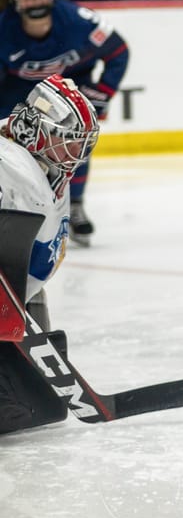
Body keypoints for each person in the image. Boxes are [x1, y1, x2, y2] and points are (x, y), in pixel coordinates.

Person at [0, 0, 129, 247]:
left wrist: (102, 93)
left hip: (66, 90)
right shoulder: (2, 29)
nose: (36, 1)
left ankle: (75, 205)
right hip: (15, 92)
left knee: (73, 140)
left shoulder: (77, 21)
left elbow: (119, 52)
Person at [0, 75, 100, 431]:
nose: (77, 155)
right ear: (34, 130)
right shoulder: (9, 165)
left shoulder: (42, 165)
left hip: (18, 289)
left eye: (82, 145)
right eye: (68, 143)